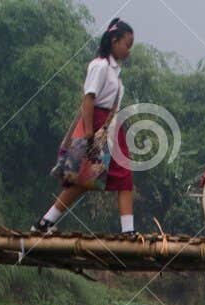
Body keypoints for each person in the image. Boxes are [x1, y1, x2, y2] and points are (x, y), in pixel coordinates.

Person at [35, 18, 136, 235]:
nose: (128, 51)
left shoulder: (115, 75)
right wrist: (89, 132)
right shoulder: (100, 66)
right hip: (96, 126)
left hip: (109, 128)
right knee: (84, 178)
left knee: (118, 177)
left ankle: (128, 230)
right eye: (126, 45)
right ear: (114, 41)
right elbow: (88, 98)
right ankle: (45, 223)